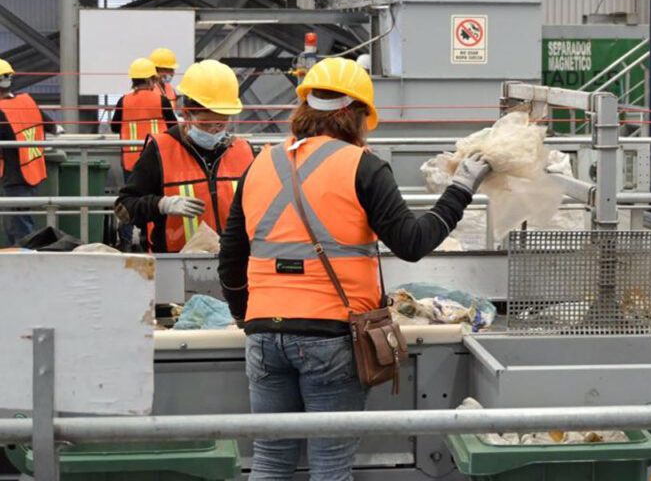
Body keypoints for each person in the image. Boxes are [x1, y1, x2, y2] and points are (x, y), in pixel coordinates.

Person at [217, 57, 491, 481]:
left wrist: (245, 317)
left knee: (270, 460)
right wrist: (461, 189)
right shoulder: (363, 166)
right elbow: (412, 243)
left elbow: (230, 259)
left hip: (264, 334)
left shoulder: (258, 164)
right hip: (331, 337)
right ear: (353, 114)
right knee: (330, 466)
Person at [115, 60, 254, 253]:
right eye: (206, 124)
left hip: (235, 267)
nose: (214, 130)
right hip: (175, 269)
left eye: (221, 124)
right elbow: (124, 208)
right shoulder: (160, 151)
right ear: (187, 115)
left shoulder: (244, 152)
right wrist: (161, 205)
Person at [0, 58, 60, 244]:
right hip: (31, 168)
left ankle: (21, 259)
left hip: (13, 174)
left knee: (18, 224)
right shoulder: (27, 101)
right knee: (22, 220)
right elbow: (55, 128)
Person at [110, 58, 177, 177]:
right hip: (157, 157)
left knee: (132, 194)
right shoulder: (161, 101)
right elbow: (174, 127)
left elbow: (115, 127)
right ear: (149, 80)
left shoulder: (123, 101)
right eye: (154, 79)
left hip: (130, 160)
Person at [149, 47, 180, 115]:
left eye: (172, 70)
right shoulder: (148, 90)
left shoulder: (170, 89)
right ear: (156, 69)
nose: (172, 73)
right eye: (169, 70)